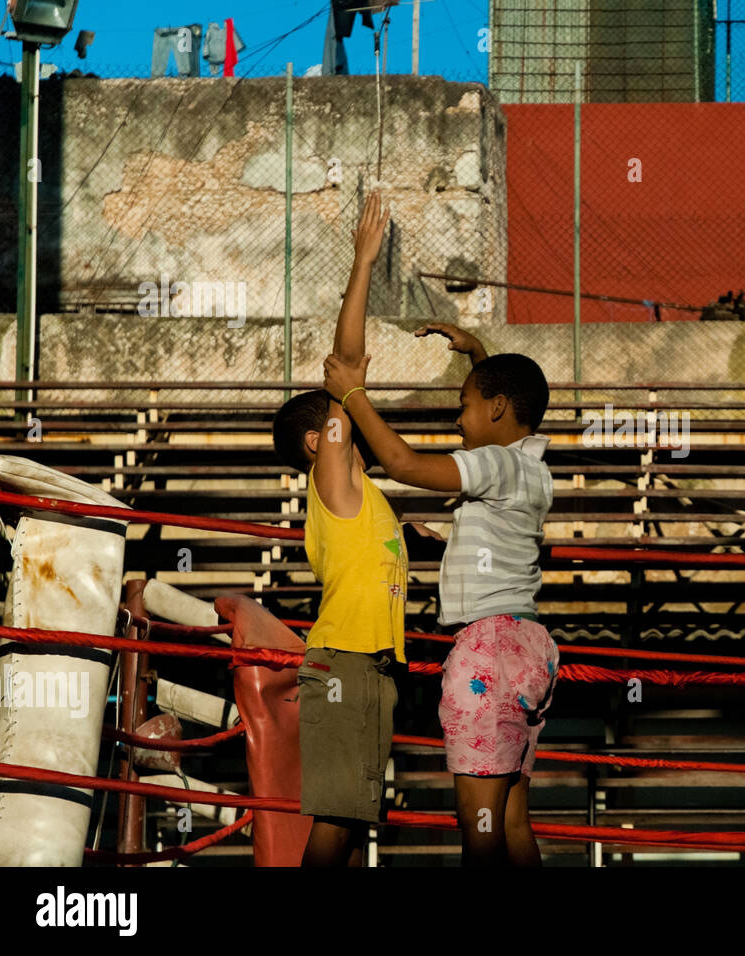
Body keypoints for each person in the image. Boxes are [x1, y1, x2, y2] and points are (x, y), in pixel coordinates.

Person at [322, 323, 557, 867]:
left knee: (477, 826)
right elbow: (508, 400)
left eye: (464, 403)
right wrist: (478, 357)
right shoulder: (533, 469)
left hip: (486, 652)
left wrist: (352, 395)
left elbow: (401, 464)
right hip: (529, 646)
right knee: (512, 822)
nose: (457, 418)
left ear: (497, 409)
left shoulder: (494, 464)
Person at [270, 192, 413, 866]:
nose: (353, 413)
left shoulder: (368, 495)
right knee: (336, 822)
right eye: (337, 416)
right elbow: (346, 364)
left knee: (353, 821)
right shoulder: (332, 475)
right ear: (314, 440)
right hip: (342, 665)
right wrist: (362, 262)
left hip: (374, 669)